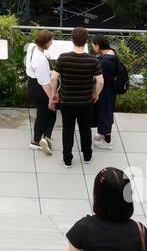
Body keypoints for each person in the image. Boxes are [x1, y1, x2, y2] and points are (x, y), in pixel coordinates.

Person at [51, 27, 103, 166]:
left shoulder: (63, 57)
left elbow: (54, 77)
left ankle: (67, 159)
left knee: (67, 130)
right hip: (86, 102)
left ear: (71, 40)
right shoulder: (93, 60)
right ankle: (87, 156)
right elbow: (100, 81)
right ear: (87, 41)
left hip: (67, 101)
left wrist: (54, 94)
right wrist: (95, 94)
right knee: (85, 130)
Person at [24, 29, 58, 154]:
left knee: (44, 113)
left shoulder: (32, 47)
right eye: (51, 40)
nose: (52, 42)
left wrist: (46, 55)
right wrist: (52, 98)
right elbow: (45, 83)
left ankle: (44, 138)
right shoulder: (41, 61)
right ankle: (37, 140)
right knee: (49, 112)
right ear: (46, 42)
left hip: (32, 84)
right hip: (40, 88)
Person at [92, 36, 120, 148]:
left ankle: (107, 141)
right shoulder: (112, 54)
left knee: (105, 113)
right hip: (110, 89)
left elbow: (100, 80)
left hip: (105, 91)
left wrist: (96, 93)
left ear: (98, 45)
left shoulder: (105, 61)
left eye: (93, 45)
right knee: (106, 112)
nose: (93, 47)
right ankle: (103, 134)